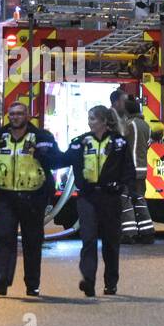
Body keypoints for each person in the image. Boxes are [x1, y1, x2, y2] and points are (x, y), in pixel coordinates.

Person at [0, 101, 61, 297]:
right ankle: (2, 278)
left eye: (19, 114)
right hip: (5, 197)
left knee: (32, 241)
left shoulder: (42, 137)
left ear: (27, 116)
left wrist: (43, 153)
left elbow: (57, 160)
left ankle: (32, 284)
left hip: (33, 198)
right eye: (12, 114)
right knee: (4, 236)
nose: (15, 117)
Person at [62, 106, 130, 297]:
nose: (89, 122)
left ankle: (110, 283)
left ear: (103, 121)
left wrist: (125, 189)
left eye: (92, 119)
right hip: (88, 197)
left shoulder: (119, 142)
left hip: (110, 197)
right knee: (88, 239)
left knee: (110, 242)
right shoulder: (81, 142)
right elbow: (63, 159)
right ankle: (89, 281)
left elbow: (128, 169)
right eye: (89, 118)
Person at [120, 95, 156, 244]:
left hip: (131, 170)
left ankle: (128, 233)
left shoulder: (130, 125)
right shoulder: (145, 125)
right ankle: (147, 232)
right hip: (141, 169)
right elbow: (147, 145)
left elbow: (122, 145)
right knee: (139, 199)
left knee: (124, 199)